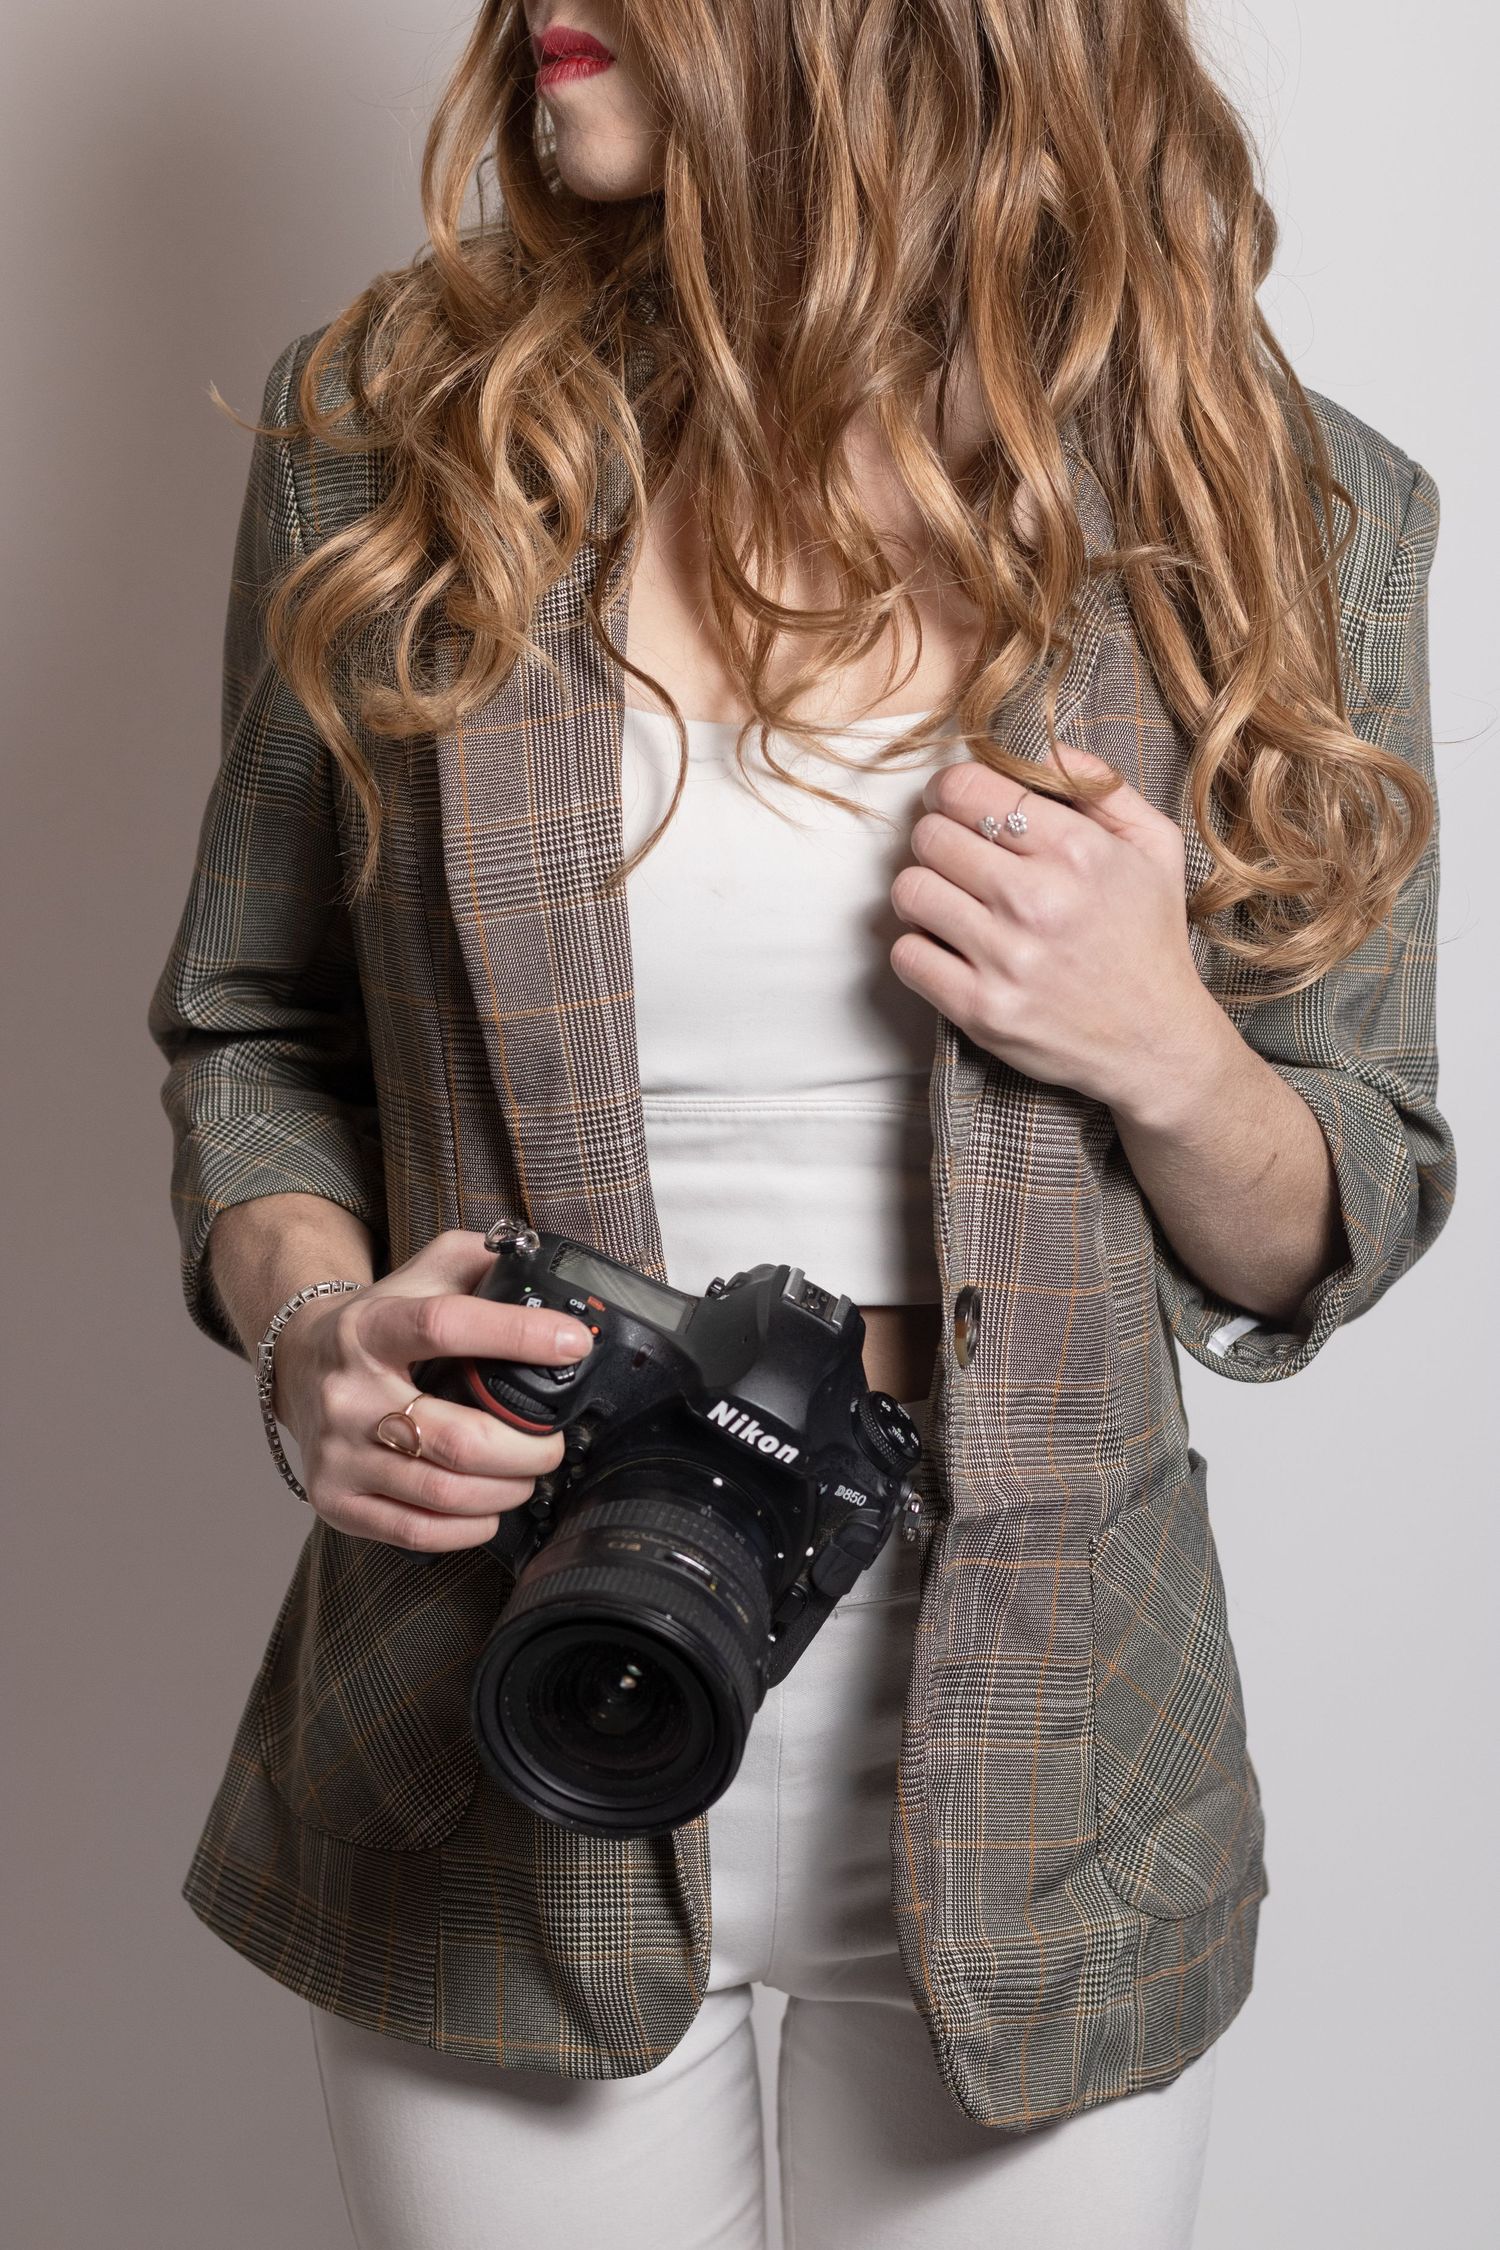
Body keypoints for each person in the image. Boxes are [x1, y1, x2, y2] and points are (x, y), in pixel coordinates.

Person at [149, 3, 1454, 2244]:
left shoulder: (1277, 502)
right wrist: (312, 1335)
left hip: (1048, 1760)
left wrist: (1167, 1046)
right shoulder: (392, 441)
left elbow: (1336, 1204)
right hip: (489, 1706)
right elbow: (253, 1030)